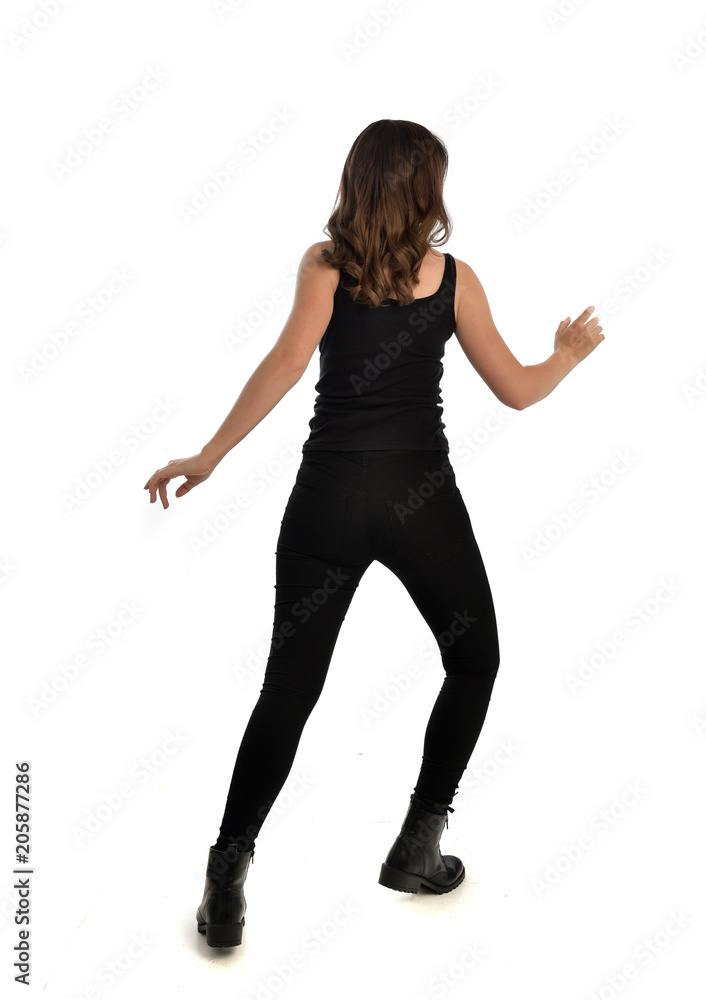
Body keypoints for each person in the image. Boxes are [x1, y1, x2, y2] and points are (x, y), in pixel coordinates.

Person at [143, 120, 604, 949]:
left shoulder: (325, 265)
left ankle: (227, 873)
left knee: (288, 690)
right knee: (475, 660)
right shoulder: (455, 280)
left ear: (359, 182)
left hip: (325, 500)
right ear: (428, 191)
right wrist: (566, 354)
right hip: (417, 499)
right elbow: (518, 392)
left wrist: (211, 454)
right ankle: (419, 844)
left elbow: (286, 364)